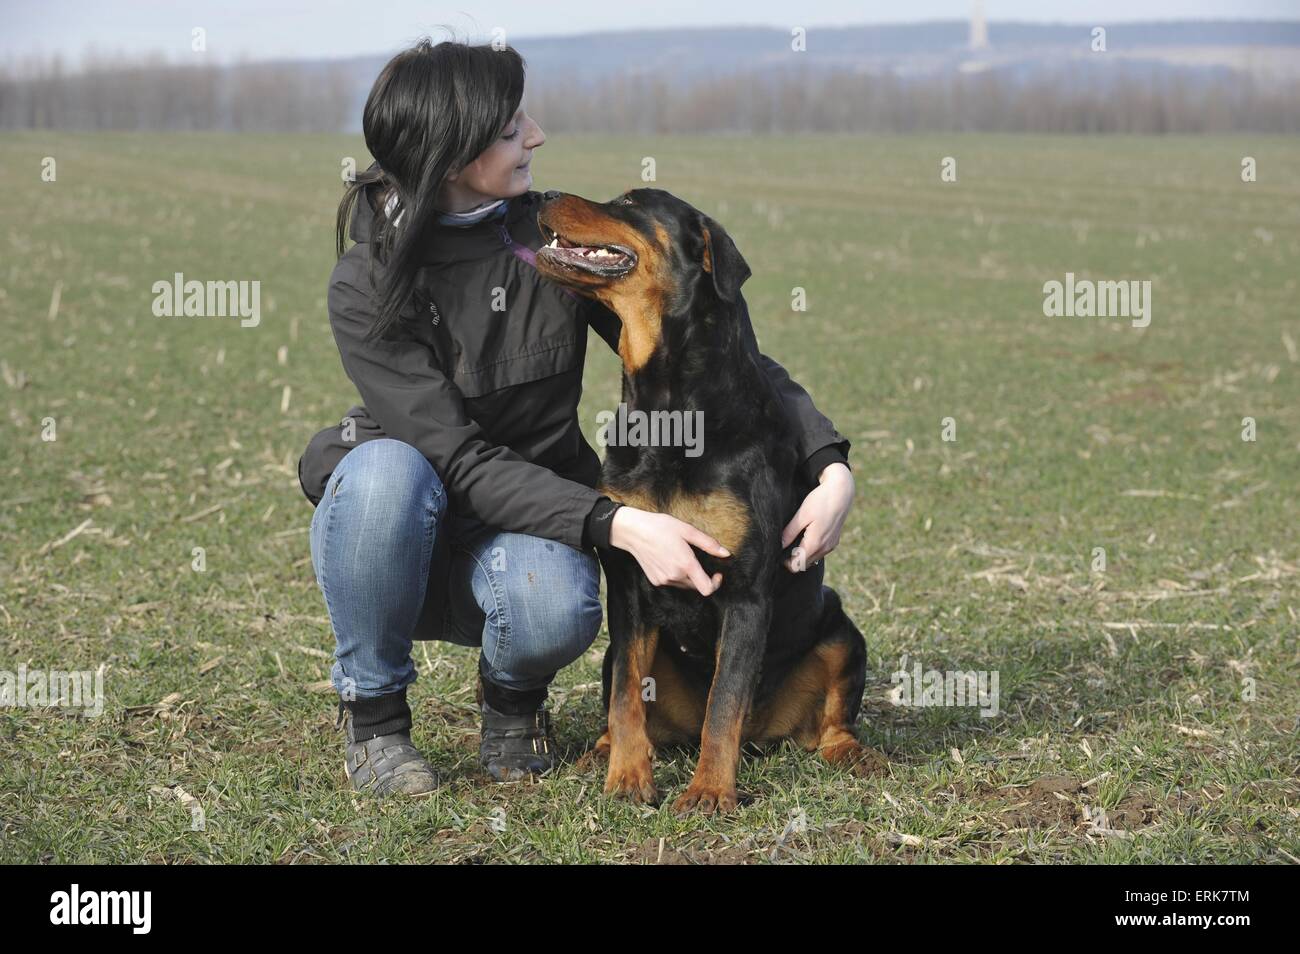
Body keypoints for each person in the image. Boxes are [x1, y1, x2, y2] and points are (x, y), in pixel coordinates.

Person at [297, 37, 856, 796]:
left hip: (525, 522)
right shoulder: (366, 281)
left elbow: (715, 354)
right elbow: (458, 460)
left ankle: (512, 707)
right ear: (451, 154)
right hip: (406, 533)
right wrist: (619, 524)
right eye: (508, 128)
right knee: (382, 472)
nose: (536, 135)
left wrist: (827, 465)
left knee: (558, 604)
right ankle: (376, 721)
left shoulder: (550, 247)